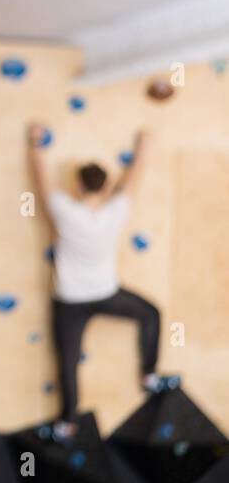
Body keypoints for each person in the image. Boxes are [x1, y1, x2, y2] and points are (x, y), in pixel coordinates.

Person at [26, 124, 179, 443]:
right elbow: (133, 180)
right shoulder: (116, 211)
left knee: (68, 363)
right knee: (151, 314)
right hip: (106, 294)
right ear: (106, 187)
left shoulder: (66, 211)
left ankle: (66, 424)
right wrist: (144, 148)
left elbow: (41, 181)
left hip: (69, 301)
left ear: (79, 186)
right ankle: (149, 376)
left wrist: (35, 143)